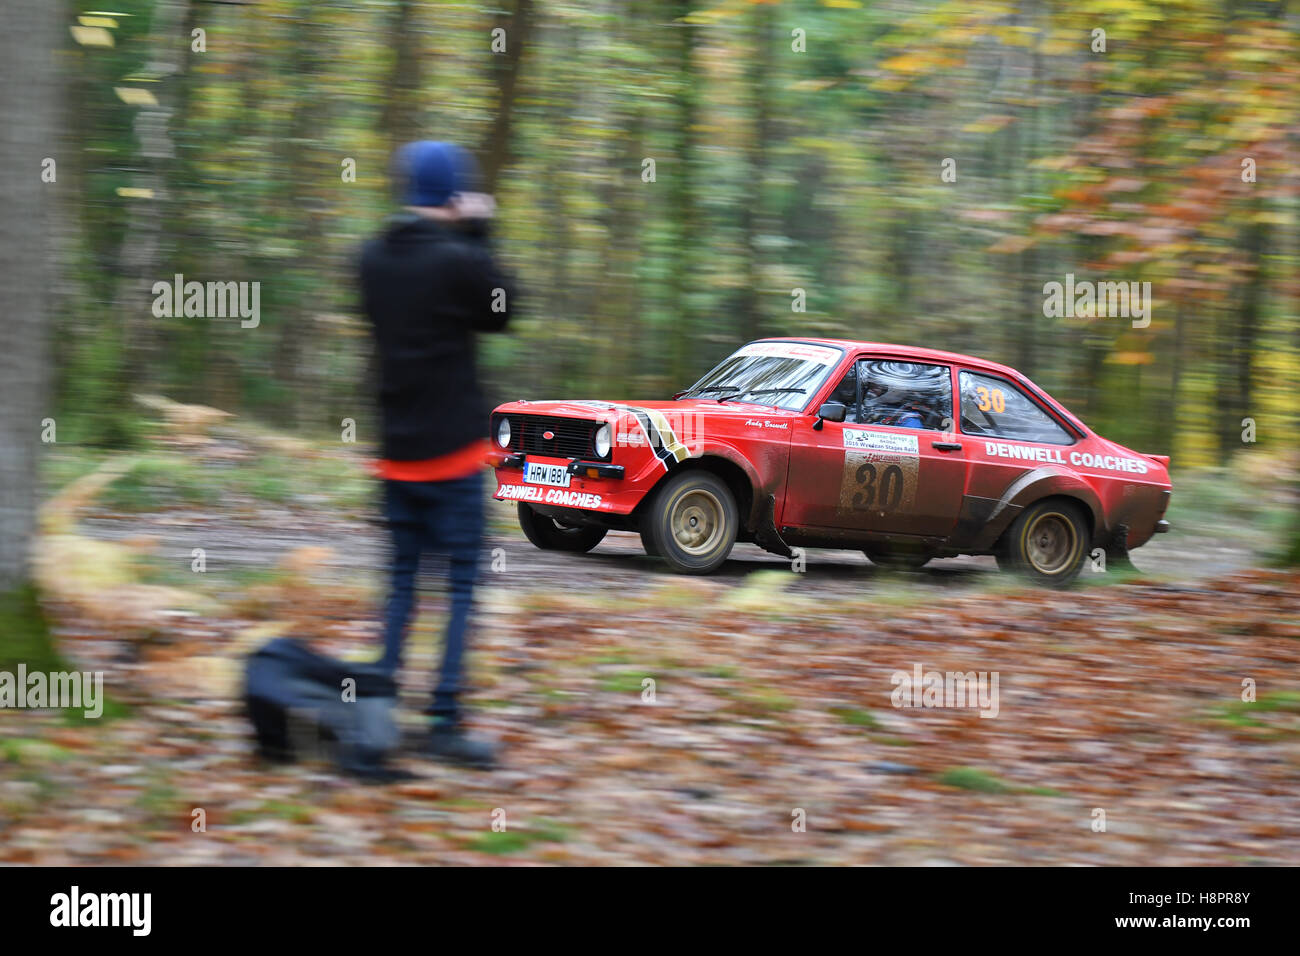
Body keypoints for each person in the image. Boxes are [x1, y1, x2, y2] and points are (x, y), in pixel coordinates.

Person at [359, 141, 514, 769]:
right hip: (451, 461)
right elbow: (505, 308)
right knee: (459, 588)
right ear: (453, 195)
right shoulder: (459, 260)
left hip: (394, 458)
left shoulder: (368, 258)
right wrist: (481, 229)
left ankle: (377, 719)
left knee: (399, 587)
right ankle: (444, 721)